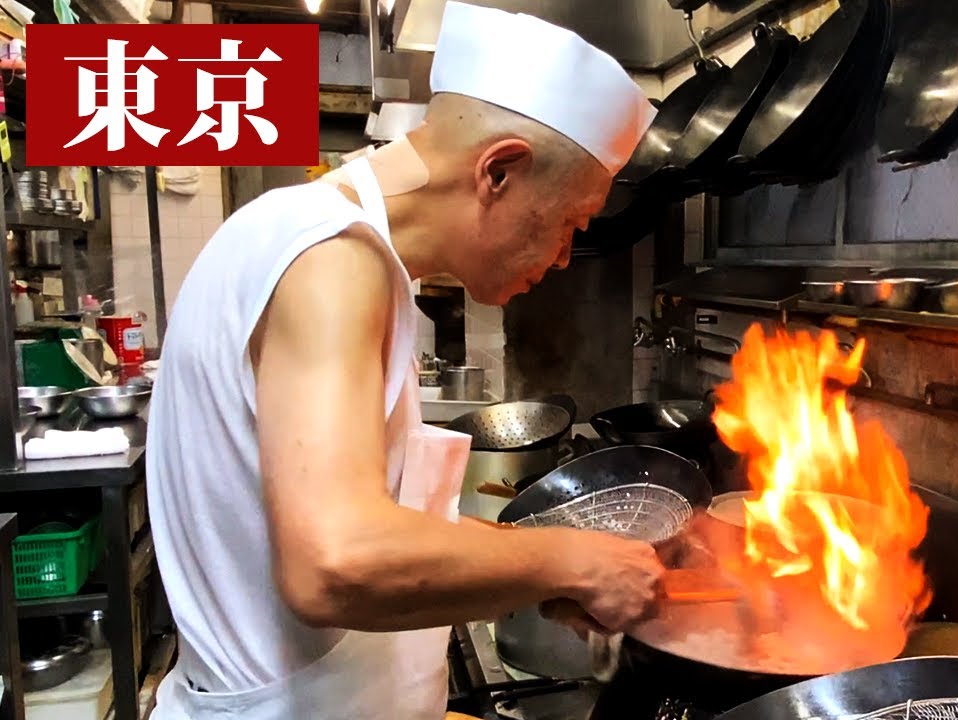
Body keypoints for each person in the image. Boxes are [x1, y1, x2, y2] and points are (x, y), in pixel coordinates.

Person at [145, 3, 663, 718]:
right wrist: (574, 560)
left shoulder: (327, 245)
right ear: (500, 172)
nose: (566, 256)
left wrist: (539, 577)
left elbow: (368, 526)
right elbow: (337, 561)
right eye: (570, 221)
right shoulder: (330, 258)